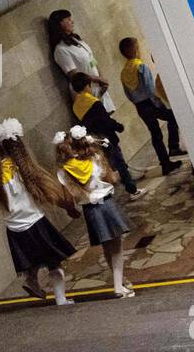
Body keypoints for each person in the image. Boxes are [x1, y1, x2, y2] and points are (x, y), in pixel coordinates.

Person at [0, 119, 81, 306]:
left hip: (16, 230)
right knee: (55, 265)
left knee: (32, 259)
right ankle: (60, 299)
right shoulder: (26, 169)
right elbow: (51, 193)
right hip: (37, 224)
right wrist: (70, 209)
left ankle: (31, 279)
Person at [54, 128, 135, 299]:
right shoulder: (95, 158)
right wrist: (96, 143)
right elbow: (110, 174)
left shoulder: (64, 170)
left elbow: (67, 195)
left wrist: (71, 210)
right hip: (106, 204)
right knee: (117, 248)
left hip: (90, 209)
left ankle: (120, 282)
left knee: (107, 247)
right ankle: (118, 287)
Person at [118, 37, 184, 175]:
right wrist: (158, 104)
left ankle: (165, 163)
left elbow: (128, 94)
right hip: (151, 103)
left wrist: (138, 103)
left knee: (155, 134)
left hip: (140, 106)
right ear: (136, 50)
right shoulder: (141, 66)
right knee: (174, 117)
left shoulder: (124, 71)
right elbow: (149, 88)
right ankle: (173, 147)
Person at [70, 72, 143, 196]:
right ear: (87, 85)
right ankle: (132, 190)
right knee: (119, 162)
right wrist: (118, 126)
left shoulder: (76, 106)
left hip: (96, 139)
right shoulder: (93, 102)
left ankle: (122, 181)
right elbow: (106, 120)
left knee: (112, 161)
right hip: (107, 136)